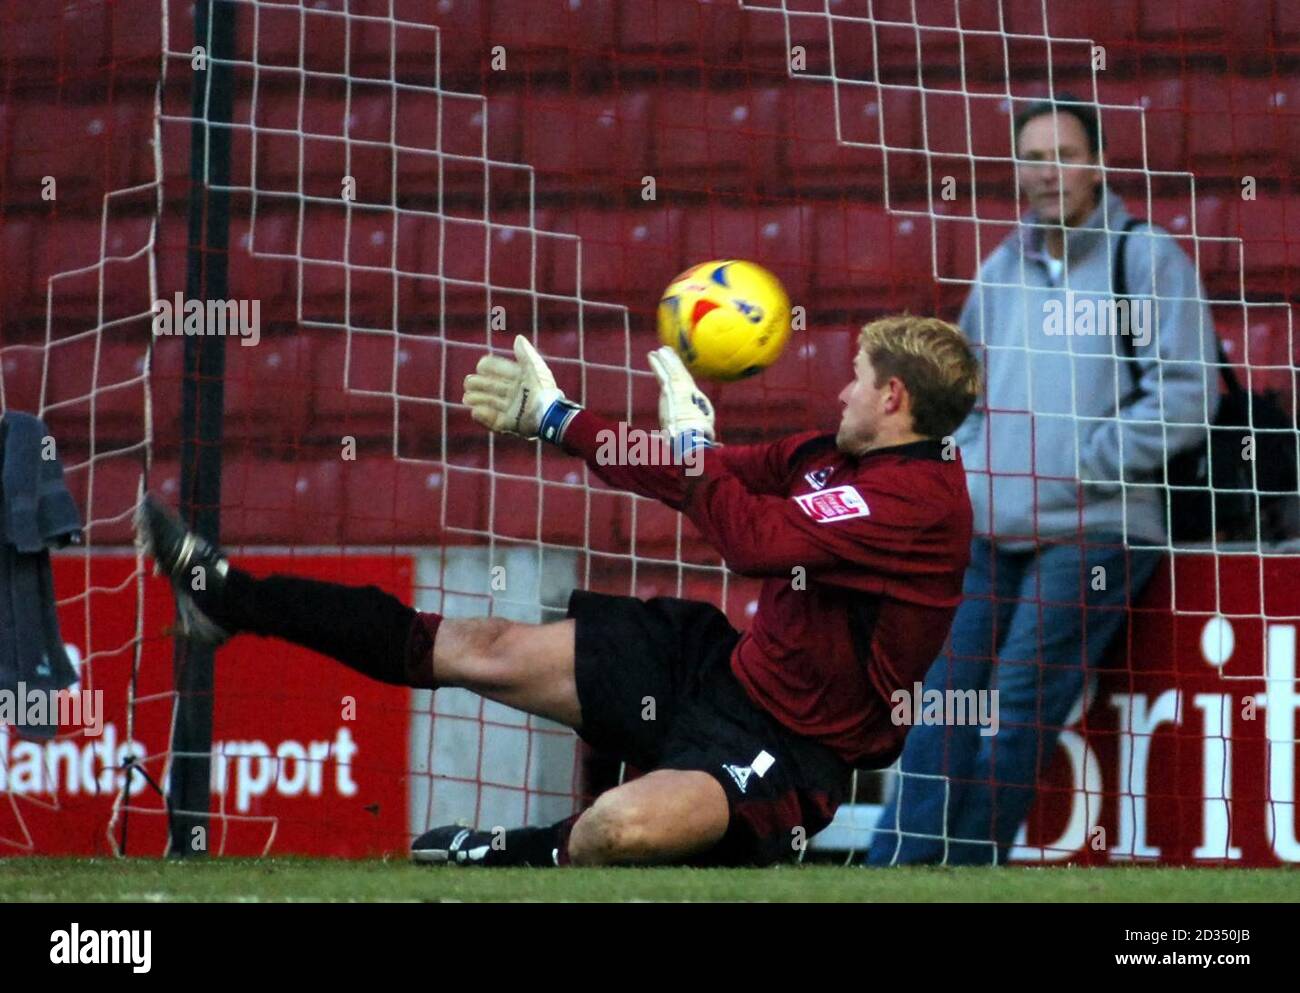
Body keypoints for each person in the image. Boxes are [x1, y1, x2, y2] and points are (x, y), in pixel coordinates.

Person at [138, 315, 979, 867]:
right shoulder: (828, 455)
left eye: (857, 377)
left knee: (619, 827)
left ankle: (505, 854)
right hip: (716, 666)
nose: (843, 389)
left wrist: (691, 456)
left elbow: (755, 540)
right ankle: (226, 595)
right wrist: (561, 419)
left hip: (791, 751)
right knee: (478, 646)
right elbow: (710, 473)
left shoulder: (924, 506)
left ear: (894, 397)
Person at [867, 95, 1221, 866]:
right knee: (943, 702)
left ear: (1096, 164)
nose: (1047, 171)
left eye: (1063, 154)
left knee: (1017, 708)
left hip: (1097, 527)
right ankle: (896, 869)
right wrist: (969, 473)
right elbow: (958, 396)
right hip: (993, 525)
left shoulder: (1144, 257)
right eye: (1033, 156)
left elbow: (1190, 393)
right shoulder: (1001, 269)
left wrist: (1084, 461)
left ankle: (966, 869)